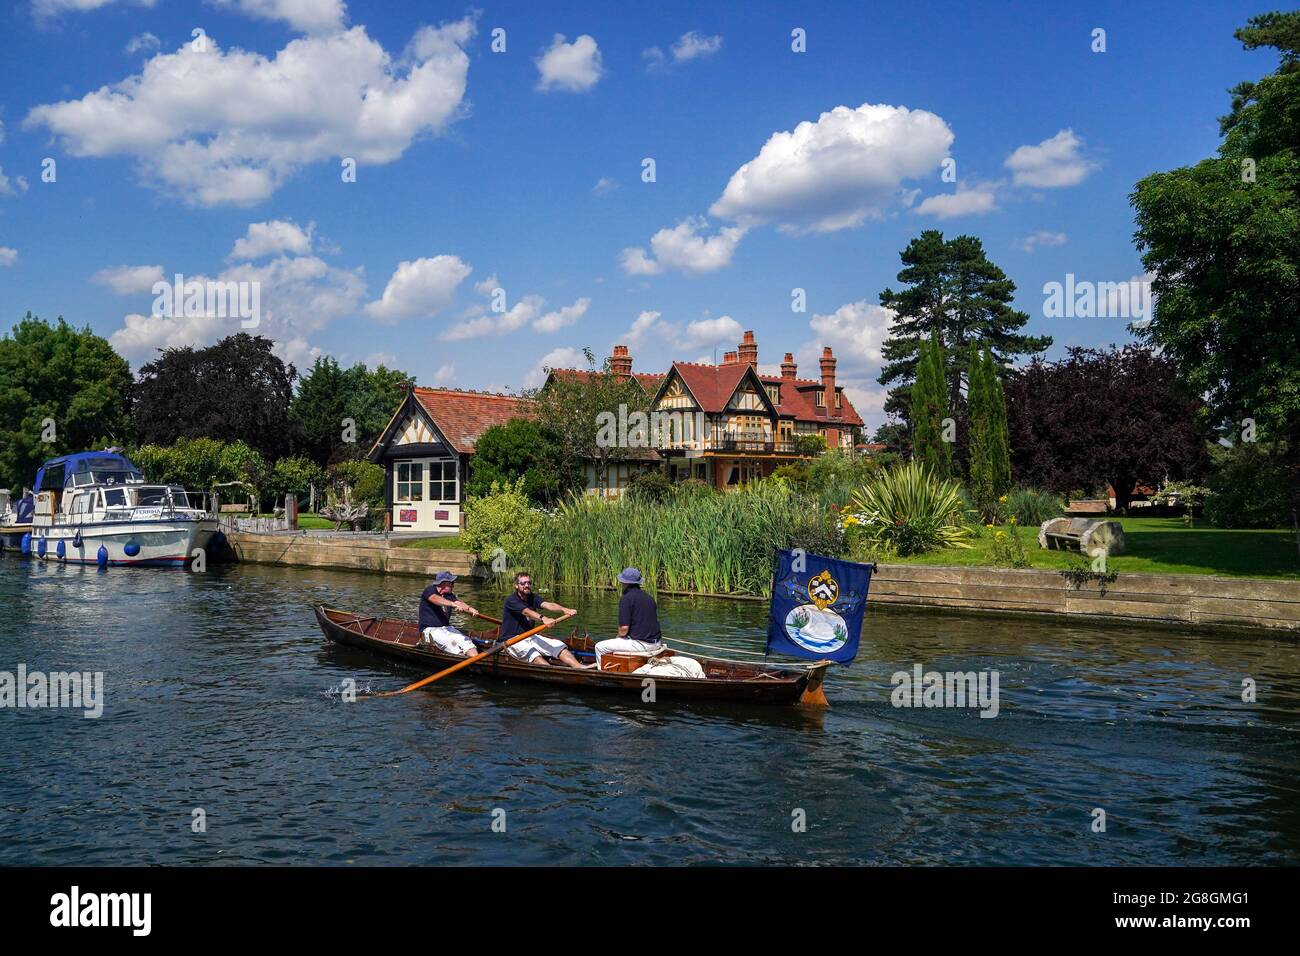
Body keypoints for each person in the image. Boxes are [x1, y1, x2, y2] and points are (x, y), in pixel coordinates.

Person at [499, 572, 592, 669]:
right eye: (523, 583)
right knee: (533, 653)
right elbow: (526, 612)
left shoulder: (532, 597)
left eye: (529, 583)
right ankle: (553, 674)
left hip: (530, 636)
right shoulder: (511, 600)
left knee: (558, 645)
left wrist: (565, 610)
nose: (527, 585)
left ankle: (579, 667)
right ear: (516, 586)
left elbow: (549, 605)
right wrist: (543, 618)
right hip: (512, 640)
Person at [595, 568, 666, 668]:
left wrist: (618, 637)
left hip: (641, 645)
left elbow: (624, 629)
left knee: (600, 647)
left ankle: (601, 673)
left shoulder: (626, 599)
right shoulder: (649, 598)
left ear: (625, 583)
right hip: (657, 643)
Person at [419, 571, 481, 657]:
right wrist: (452, 604)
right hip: (430, 630)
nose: (453, 584)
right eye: (451, 583)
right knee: (453, 644)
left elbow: (459, 603)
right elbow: (435, 599)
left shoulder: (449, 595)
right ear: (442, 583)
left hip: (447, 628)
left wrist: (470, 609)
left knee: (466, 641)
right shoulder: (430, 590)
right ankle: (464, 662)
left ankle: (475, 661)